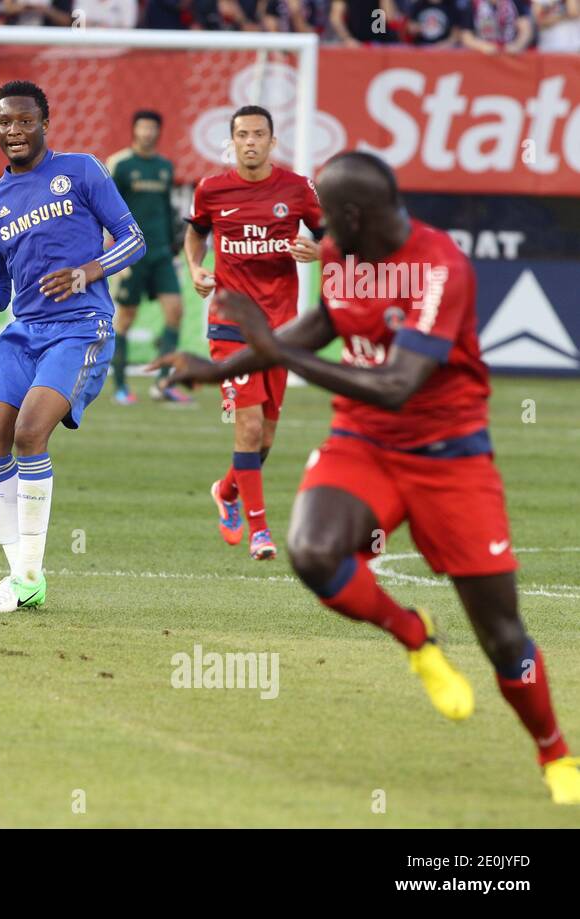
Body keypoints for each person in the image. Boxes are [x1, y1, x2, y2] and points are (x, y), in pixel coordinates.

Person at [154, 150, 580, 805]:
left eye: (325, 211)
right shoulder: (338, 253)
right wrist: (215, 367)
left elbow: (398, 384)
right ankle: (415, 634)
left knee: (502, 636)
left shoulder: (441, 267)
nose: (316, 223)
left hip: (451, 458)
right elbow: (322, 323)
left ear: (354, 214)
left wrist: (277, 355)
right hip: (363, 444)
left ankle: (554, 750)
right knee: (315, 552)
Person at [0, 81, 144, 614]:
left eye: (25, 121)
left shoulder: (81, 171)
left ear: (44, 123)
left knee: (30, 433)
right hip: (22, 333)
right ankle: (22, 575)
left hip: (80, 326)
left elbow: (134, 239)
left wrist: (87, 272)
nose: (14, 131)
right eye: (5, 122)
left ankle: (26, 577)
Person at [182, 105, 321, 560]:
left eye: (259, 134)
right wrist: (195, 267)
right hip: (230, 324)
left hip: (281, 330)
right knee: (249, 425)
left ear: (272, 141)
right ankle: (261, 532)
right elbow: (196, 233)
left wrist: (318, 248)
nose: (250, 142)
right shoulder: (211, 190)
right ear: (233, 140)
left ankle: (226, 491)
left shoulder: (298, 190)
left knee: (264, 441)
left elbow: (331, 234)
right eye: (242, 134)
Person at [106, 110, 190, 406]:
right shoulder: (121, 165)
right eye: (142, 127)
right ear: (134, 130)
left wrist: (173, 243)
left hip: (161, 253)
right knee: (126, 318)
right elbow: (105, 205)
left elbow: (166, 208)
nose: (147, 132)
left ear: (158, 131)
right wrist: (109, 248)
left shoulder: (165, 167)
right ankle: (120, 386)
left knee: (175, 311)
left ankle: (162, 383)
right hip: (130, 253)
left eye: (152, 127)